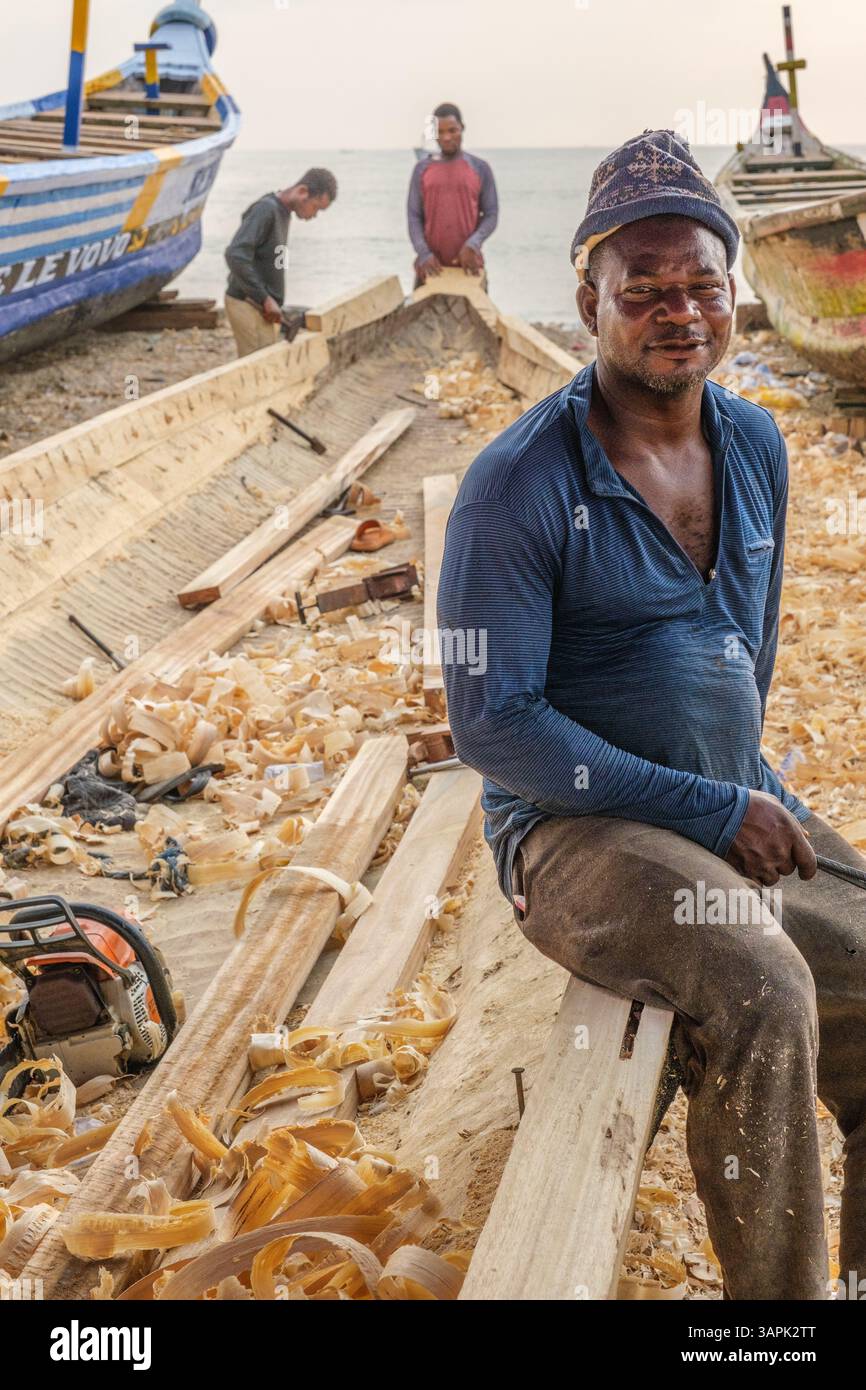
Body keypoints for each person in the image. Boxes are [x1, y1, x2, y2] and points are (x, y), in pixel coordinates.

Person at [438, 129, 866, 1301]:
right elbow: (491, 725)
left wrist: (747, 792)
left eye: (701, 286)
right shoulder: (515, 485)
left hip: (723, 796)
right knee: (762, 983)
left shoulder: (755, 444)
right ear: (588, 300)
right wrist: (704, 805)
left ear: (732, 297)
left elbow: (747, 653)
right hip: (572, 837)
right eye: (643, 290)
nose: (678, 311)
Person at [224, 169, 337, 356]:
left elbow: (275, 260)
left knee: (267, 363)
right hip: (248, 303)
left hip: (264, 309)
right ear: (302, 191)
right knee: (256, 370)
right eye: (316, 207)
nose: (314, 215)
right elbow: (235, 254)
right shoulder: (265, 210)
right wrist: (265, 298)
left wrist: (275, 300)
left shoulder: (283, 213)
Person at [407, 103, 498, 288]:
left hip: (469, 268)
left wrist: (473, 243)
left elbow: (491, 214)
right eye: (440, 132)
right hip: (431, 270)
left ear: (462, 128)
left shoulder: (480, 168)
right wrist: (424, 253)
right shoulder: (422, 169)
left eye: (452, 130)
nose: (447, 137)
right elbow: (413, 216)